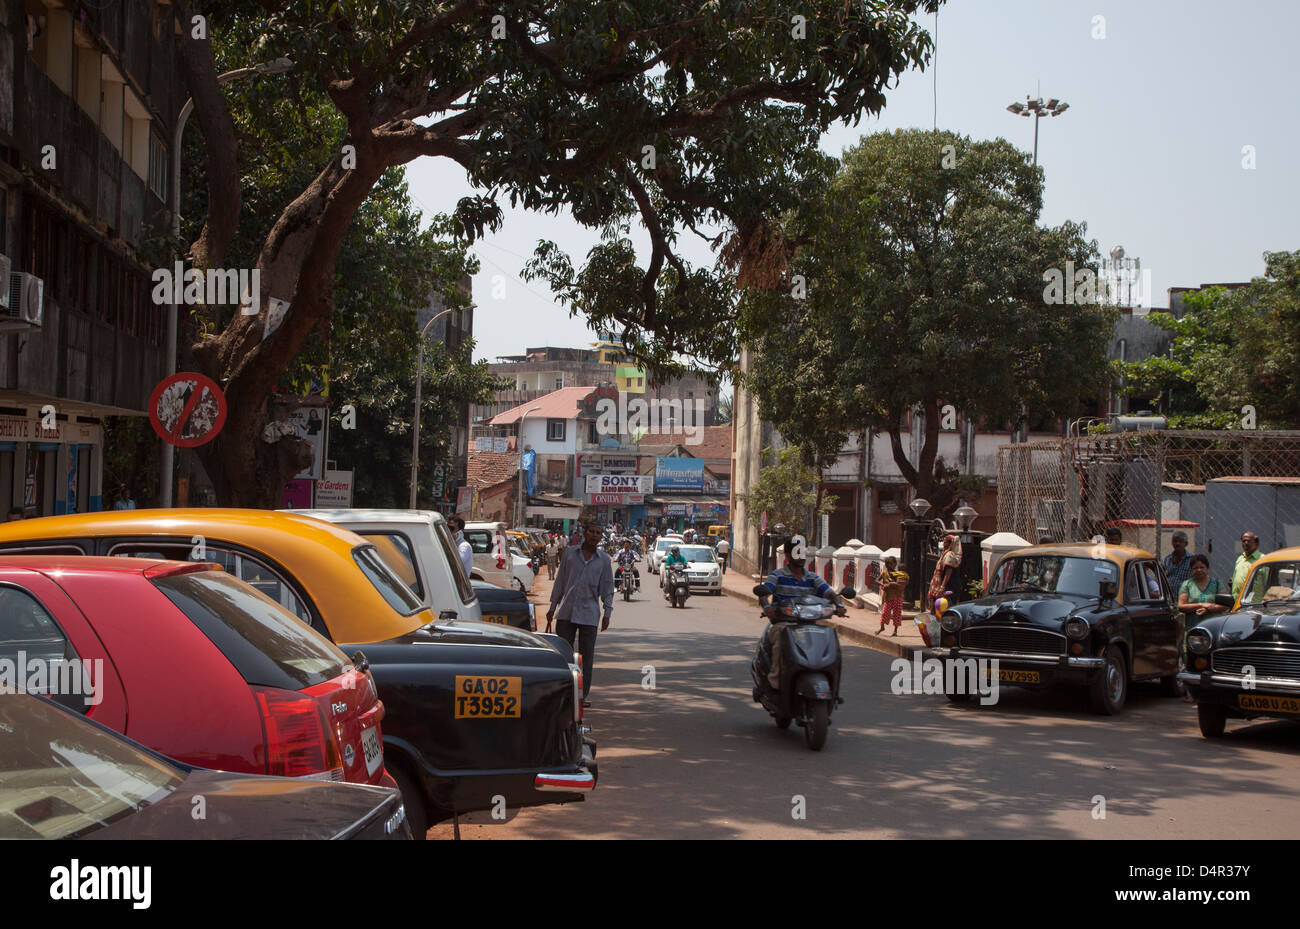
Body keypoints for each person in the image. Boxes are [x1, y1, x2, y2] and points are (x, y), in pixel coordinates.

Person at [758, 539, 847, 686]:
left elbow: (829, 593)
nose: (801, 557)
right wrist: (767, 608)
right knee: (781, 638)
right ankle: (774, 682)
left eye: (802, 553)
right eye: (797, 553)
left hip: (809, 625)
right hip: (783, 624)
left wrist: (839, 604)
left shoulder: (812, 577)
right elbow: (764, 593)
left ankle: (832, 683)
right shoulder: (777, 575)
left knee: (830, 639)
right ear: (787, 556)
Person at [547, 522, 613, 705]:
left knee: (586, 657)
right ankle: (563, 693)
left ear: (601, 537)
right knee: (562, 655)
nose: (594, 535)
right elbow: (560, 582)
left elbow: (607, 588)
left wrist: (608, 612)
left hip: (589, 614)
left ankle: (581, 696)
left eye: (598, 533)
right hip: (566, 612)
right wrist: (552, 607)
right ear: (584, 534)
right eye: (591, 531)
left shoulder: (604, 561)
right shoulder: (569, 554)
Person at [1178, 554, 1227, 619]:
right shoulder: (1187, 584)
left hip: (1214, 624)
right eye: (1195, 568)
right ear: (1191, 570)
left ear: (1208, 568)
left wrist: (1208, 609)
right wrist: (1201, 605)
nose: (1199, 570)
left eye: (1202, 567)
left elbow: (1225, 605)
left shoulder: (1217, 584)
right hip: (1193, 626)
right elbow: (1181, 606)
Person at [877, 555, 908, 636]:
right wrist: (882, 584)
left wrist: (890, 584)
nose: (890, 565)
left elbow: (901, 584)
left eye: (891, 564)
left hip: (897, 596)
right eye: (888, 564)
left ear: (895, 564)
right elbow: (876, 580)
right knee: (885, 613)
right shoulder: (884, 573)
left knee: (897, 614)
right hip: (888, 596)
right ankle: (882, 627)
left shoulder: (897, 574)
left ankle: (895, 631)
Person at [927, 534, 962, 606]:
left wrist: (942, 586)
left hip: (949, 585)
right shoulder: (945, 554)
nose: (943, 544)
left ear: (950, 544)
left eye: (945, 542)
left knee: (945, 605)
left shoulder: (950, 555)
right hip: (945, 584)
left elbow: (948, 572)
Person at [1232, 531, 1266, 602]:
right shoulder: (1240, 559)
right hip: (1237, 604)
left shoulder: (1263, 560)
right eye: (1244, 541)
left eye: (1249, 541)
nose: (1246, 543)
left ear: (1256, 543)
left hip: (1254, 604)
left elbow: (1268, 584)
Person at [447, 515, 474, 580]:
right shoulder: (451, 543)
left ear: (460, 531)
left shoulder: (464, 546)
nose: (449, 531)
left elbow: (457, 562)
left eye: (452, 528)